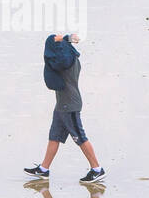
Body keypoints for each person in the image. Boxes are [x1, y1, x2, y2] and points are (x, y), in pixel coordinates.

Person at [24, 32, 106, 184]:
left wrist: (62, 40)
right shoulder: (70, 57)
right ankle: (44, 169)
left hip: (70, 105)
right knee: (54, 136)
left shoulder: (63, 62)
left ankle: (97, 169)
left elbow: (51, 46)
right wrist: (66, 38)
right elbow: (55, 43)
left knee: (80, 138)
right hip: (62, 105)